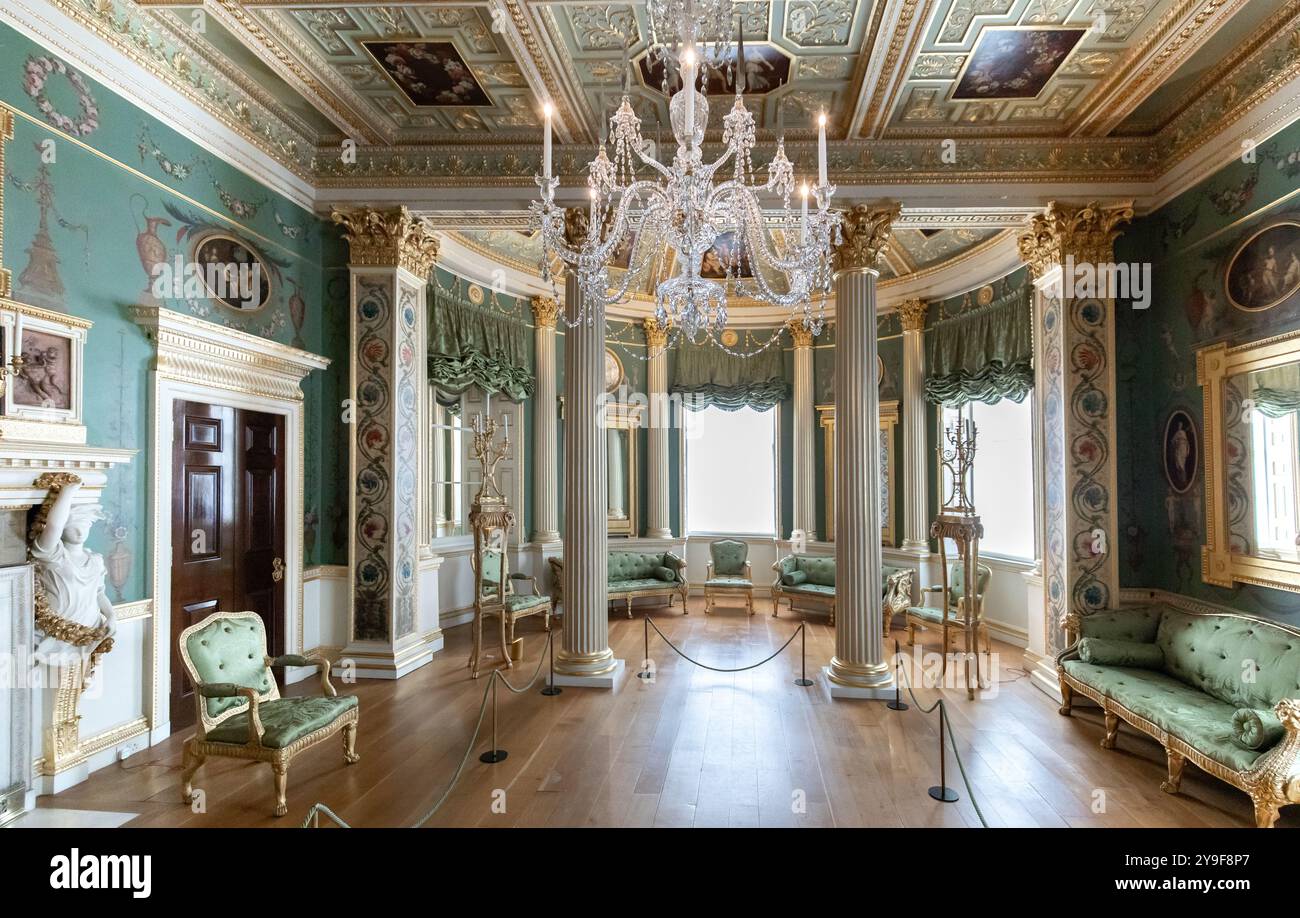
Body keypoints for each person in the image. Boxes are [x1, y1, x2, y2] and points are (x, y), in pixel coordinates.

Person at [31, 475, 116, 669]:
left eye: (86, 524)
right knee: (50, 691)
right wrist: (67, 492)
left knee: (75, 691)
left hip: (90, 631)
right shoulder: (53, 554)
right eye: (74, 524)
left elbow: (99, 593)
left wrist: (111, 615)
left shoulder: (95, 560)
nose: (81, 531)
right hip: (56, 633)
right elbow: (53, 526)